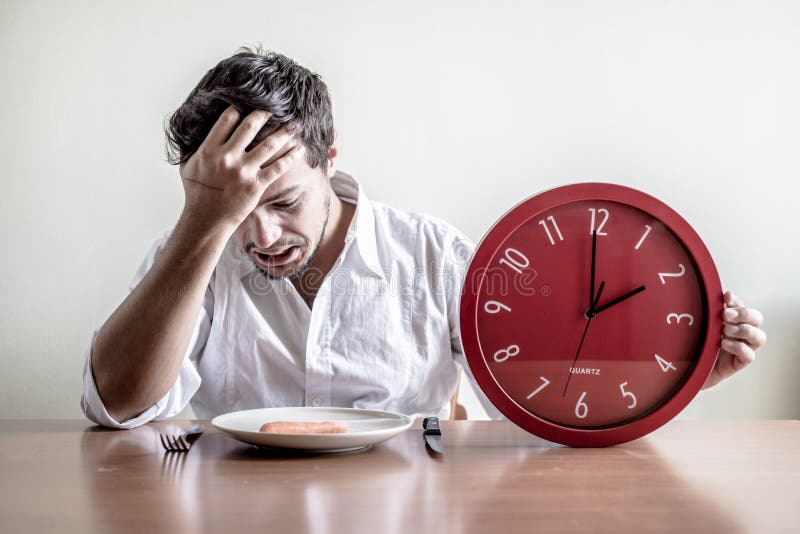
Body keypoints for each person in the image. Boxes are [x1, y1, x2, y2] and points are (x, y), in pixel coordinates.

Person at [80, 47, 767, 429]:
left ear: (331, 157)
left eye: (283, 201)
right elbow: (117, 406)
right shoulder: (197, 254)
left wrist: (677, 378)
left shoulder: (436, 256)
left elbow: (551, 397)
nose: (259, 235)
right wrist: (204, 224)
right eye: (235, 208)